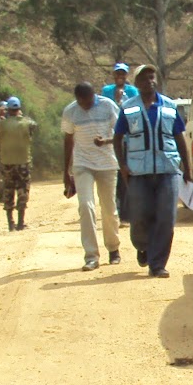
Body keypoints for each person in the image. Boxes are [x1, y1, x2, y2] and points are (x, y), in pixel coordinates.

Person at [112, 64, 190, 278]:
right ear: (136, 84)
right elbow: (117, 138)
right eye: (145, 79)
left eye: (152, 77)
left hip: (168, 169)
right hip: (138, 172)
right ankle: (143, 246)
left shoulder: (169, 105)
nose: (150, 81)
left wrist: (187, 167)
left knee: (166, 217)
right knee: (139, 216)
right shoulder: (128, 107)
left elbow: (179, 138)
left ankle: (157, 264)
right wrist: (123, 165)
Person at [62, 81, 123, 270]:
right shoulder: (71, 111)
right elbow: (68, 140)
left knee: (109, 208)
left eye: (87, 101)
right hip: (83, 164)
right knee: (85, 206)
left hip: (107, 164)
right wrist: (66, 170)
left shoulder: (108, 106)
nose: (85, 106)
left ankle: (113, 249)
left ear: (93, 96)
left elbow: (122, 133)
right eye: (81, 102)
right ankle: (91, 256)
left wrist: (106, 141)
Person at [101, 62, 138, 227]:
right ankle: (113, 213)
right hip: (111, 138)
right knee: (113, 176)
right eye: (117, 74)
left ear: (126, 76)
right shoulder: (106, 91)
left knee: (125, 176)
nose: (120, 77)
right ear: (114, 76)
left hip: (128, 140)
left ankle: (126, 214)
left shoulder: (132, 92)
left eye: (123, 74)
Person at [0, 96, 39, 231]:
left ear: (7, 110)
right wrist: (21, 116)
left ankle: (10, 223)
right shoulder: (27, 123)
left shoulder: (1, 124)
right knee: (23, 190)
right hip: (23, 162)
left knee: (8, 190)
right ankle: (21, 222)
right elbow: (35, 126)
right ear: (19, 109)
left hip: (7, 162)